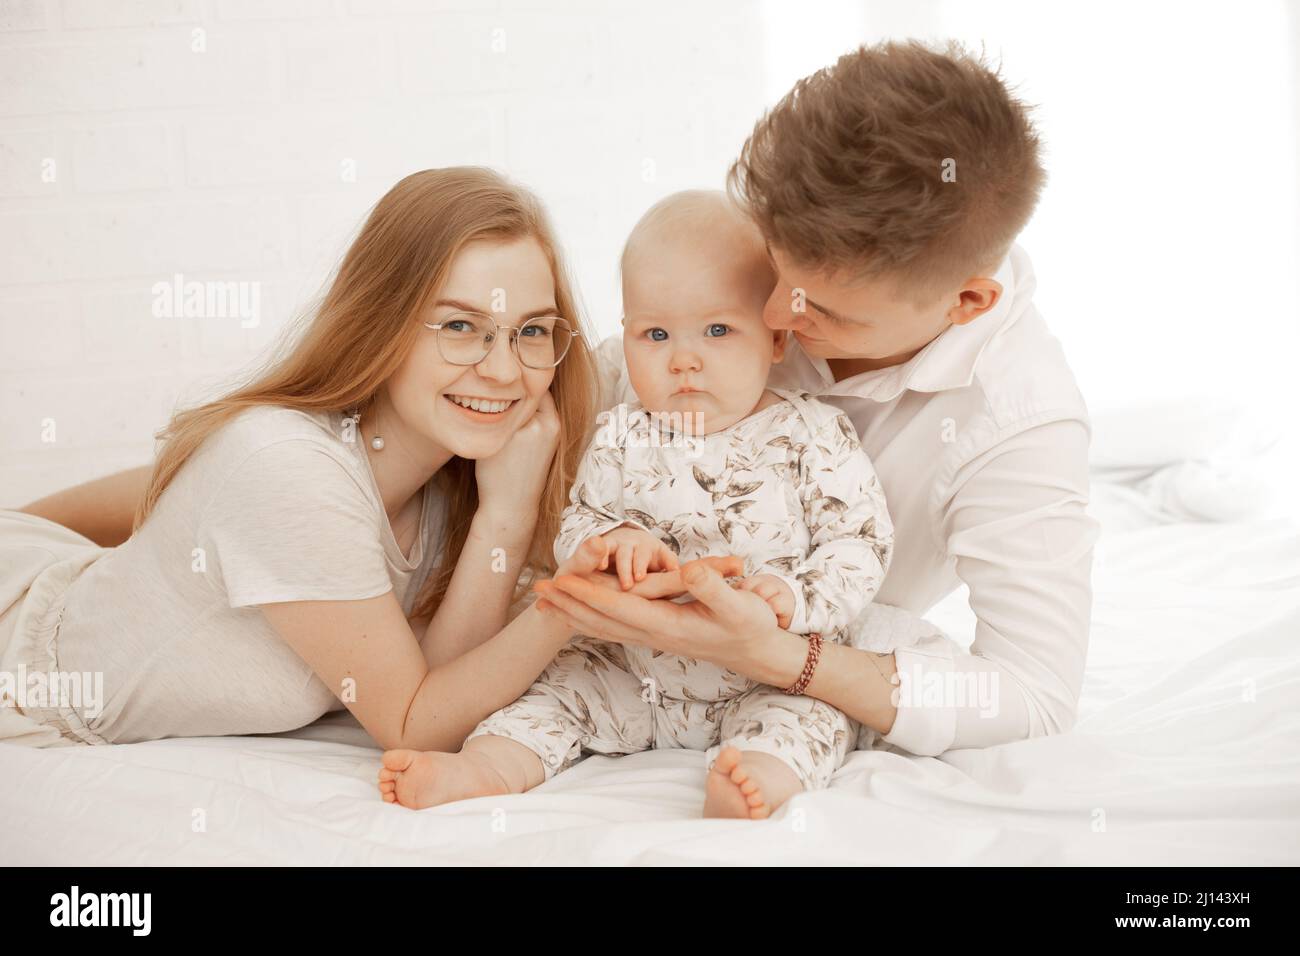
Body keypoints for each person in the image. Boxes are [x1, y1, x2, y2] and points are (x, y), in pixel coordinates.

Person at [533, 40, 1100, 758]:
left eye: (820, 311)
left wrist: (781, 660)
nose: (770, 317)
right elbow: (588, 396)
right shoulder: (791, 249)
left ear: (967, 302)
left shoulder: (1020, 423)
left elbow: (1030, 695)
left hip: (791, 674)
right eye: (774, 268)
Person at [1, 167, 612, 750]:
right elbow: (415, 728)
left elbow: (443, 690)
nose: (505, 370)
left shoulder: (444, 482)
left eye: (531, 331)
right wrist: (563, 598)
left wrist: (500, 515)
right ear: (382, 324)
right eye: (459, 324)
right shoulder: (288, 464)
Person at [376, 190, 893, 818]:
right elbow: (579, 522)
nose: (683, 359)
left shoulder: (813, 434)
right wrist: (609, 541)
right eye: (655, 333)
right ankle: (488, 767)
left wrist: (796, 597)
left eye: (718, 329)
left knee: (809, 717)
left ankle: (758, 776)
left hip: (765, 672)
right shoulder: (621, 433)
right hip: (629, 668)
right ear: (625, 341)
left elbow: (860, 542)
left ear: (777, 339)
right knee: (555, 691)